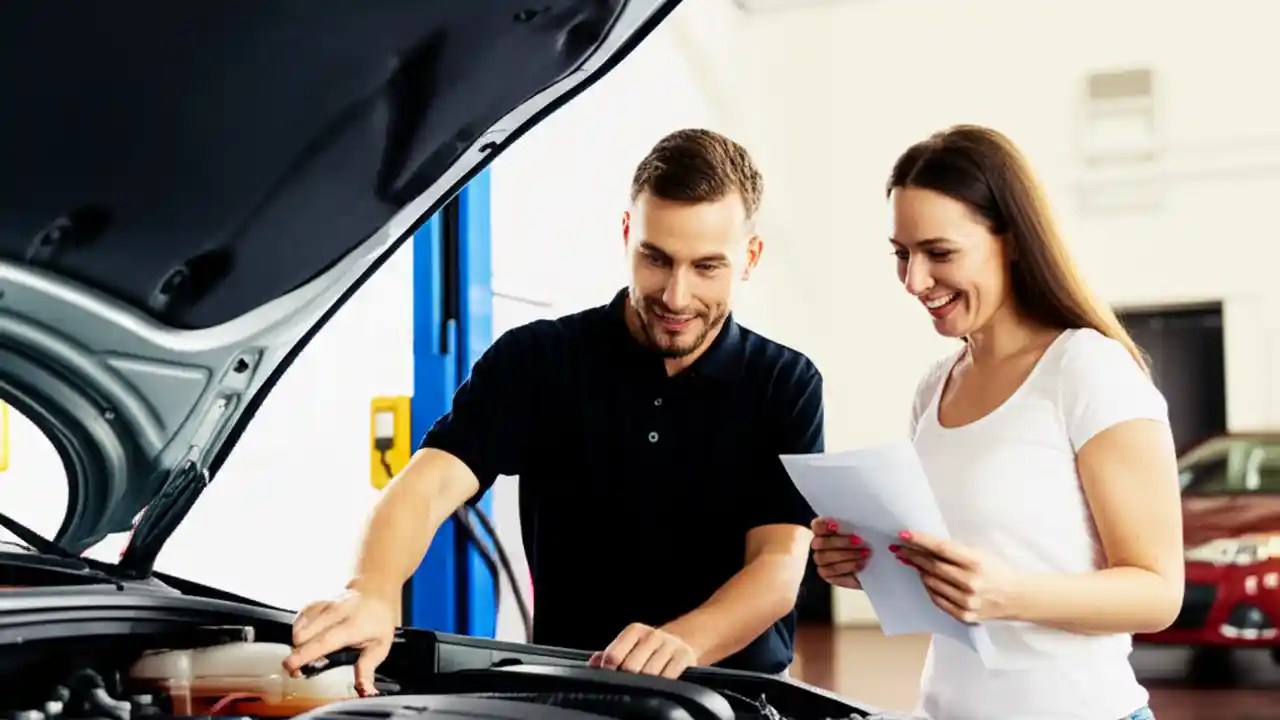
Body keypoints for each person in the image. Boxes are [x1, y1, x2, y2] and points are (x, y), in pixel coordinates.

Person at [284, 128, 824, 696]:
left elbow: (776, 568)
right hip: (570, 695)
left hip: (732, 695)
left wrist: (683, 642)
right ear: (626, 235)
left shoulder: (784, 384)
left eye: (707, 267)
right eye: (655, 258)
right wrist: (372, 588)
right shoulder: (539, 360)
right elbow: (431, 482)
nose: (675, 296)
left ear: (751, 258)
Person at [809, 125, 1183, 720]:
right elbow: (953, 569)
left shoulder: (1086, 370)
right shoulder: (936, 387)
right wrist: (865, 566)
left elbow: (1158, 592)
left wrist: (1009, 595)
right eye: (902, 254)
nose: (915, 281)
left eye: (939, 252)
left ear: (1008, 240)